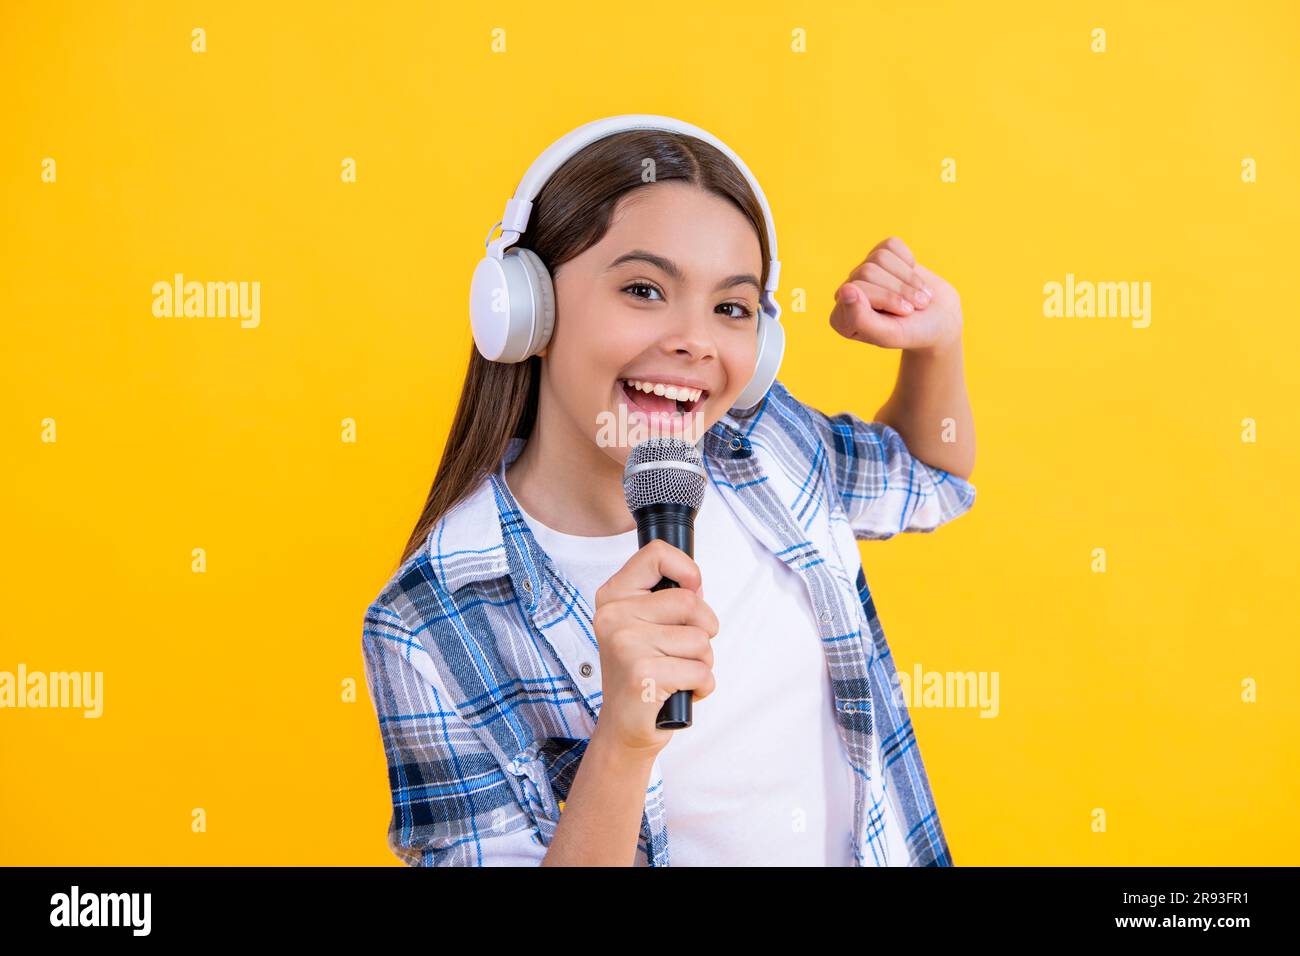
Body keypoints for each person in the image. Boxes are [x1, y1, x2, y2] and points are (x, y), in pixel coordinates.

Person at [361, 115, 976, 866]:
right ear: (526, 310)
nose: (696, 340)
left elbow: (932, 478)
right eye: (645, 289)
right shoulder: (431, 620)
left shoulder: (765, 445)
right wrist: (622, 740)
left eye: (731, 308)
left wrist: (936, 343)